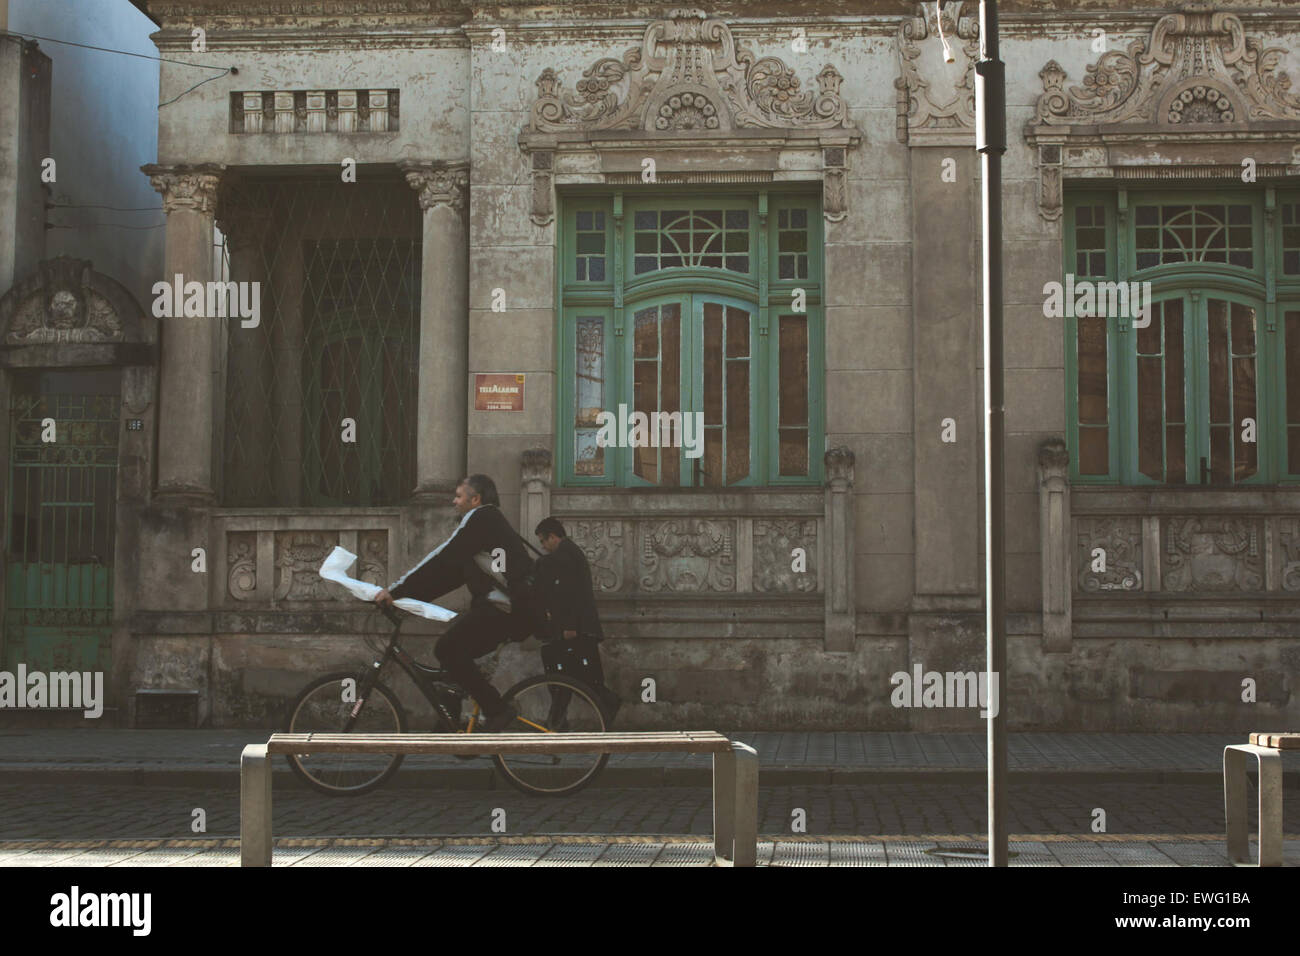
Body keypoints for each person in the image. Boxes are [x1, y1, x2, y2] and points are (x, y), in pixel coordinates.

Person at [374, 474, 541, 732]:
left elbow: (441, 558)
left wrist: (394, 591)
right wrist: (405, 601)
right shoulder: (485, 526)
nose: (454, 501)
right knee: (453, 654)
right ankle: (451, 724)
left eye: (459, 496)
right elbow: (448, 577)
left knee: (447, 649)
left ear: (476, 499)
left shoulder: (481, 517)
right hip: (508, 611)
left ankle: (497, 711)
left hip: (507, 610)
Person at [535, 516, 620, 721]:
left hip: (576, 630)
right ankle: (558, 720)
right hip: (579, 630)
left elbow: (571, 593)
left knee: (571, 677)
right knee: (569, 676)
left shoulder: (566, 554)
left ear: (553, 537)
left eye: (543, 541)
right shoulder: (568, 553)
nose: (543, 546)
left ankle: (559, 719)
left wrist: (570, 626)